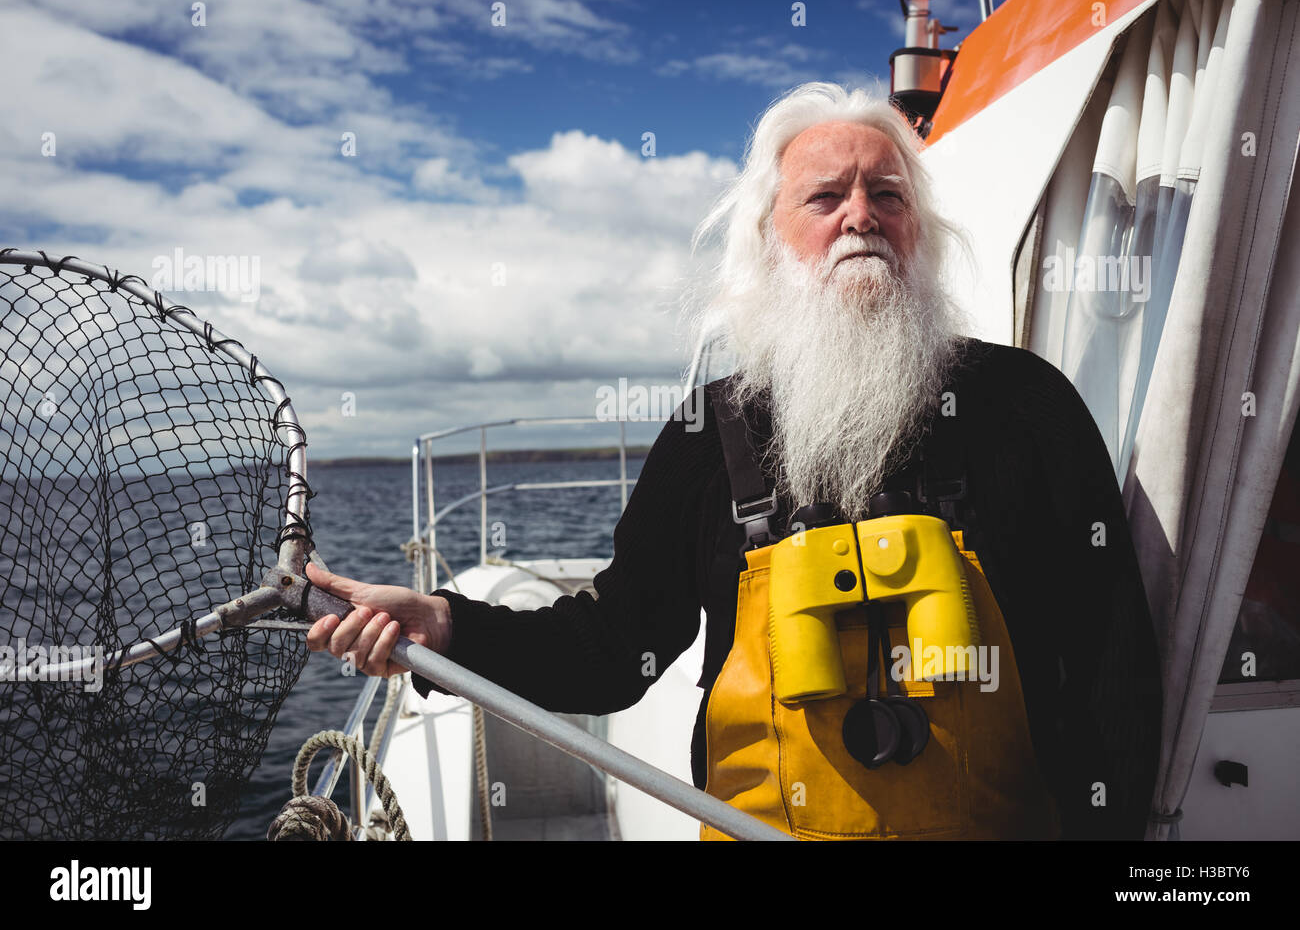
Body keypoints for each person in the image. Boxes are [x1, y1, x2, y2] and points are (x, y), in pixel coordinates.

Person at [306, 82, 1162, 840]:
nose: (860, 215)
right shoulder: (706, 434)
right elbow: (614, 648)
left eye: (888, 195)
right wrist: (447, 626)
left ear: (918, 231)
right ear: (768, 239)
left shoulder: (1024, 404)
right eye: (824, 196)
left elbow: (1108, 657)